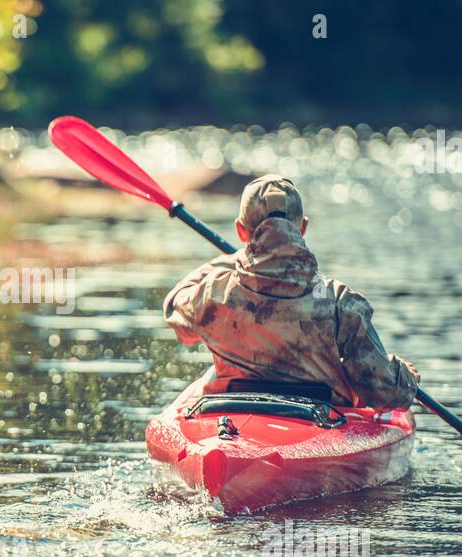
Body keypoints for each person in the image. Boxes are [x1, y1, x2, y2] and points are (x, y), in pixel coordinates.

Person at [162, 174, 419, 409]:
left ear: (241, 231)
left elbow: (175, 310)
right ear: (303, 228)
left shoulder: (213, 293)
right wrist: (405, 376)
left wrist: (235, 260)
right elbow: (384, 393)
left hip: (231, 416)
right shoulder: (339, 303)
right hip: (320, 422)